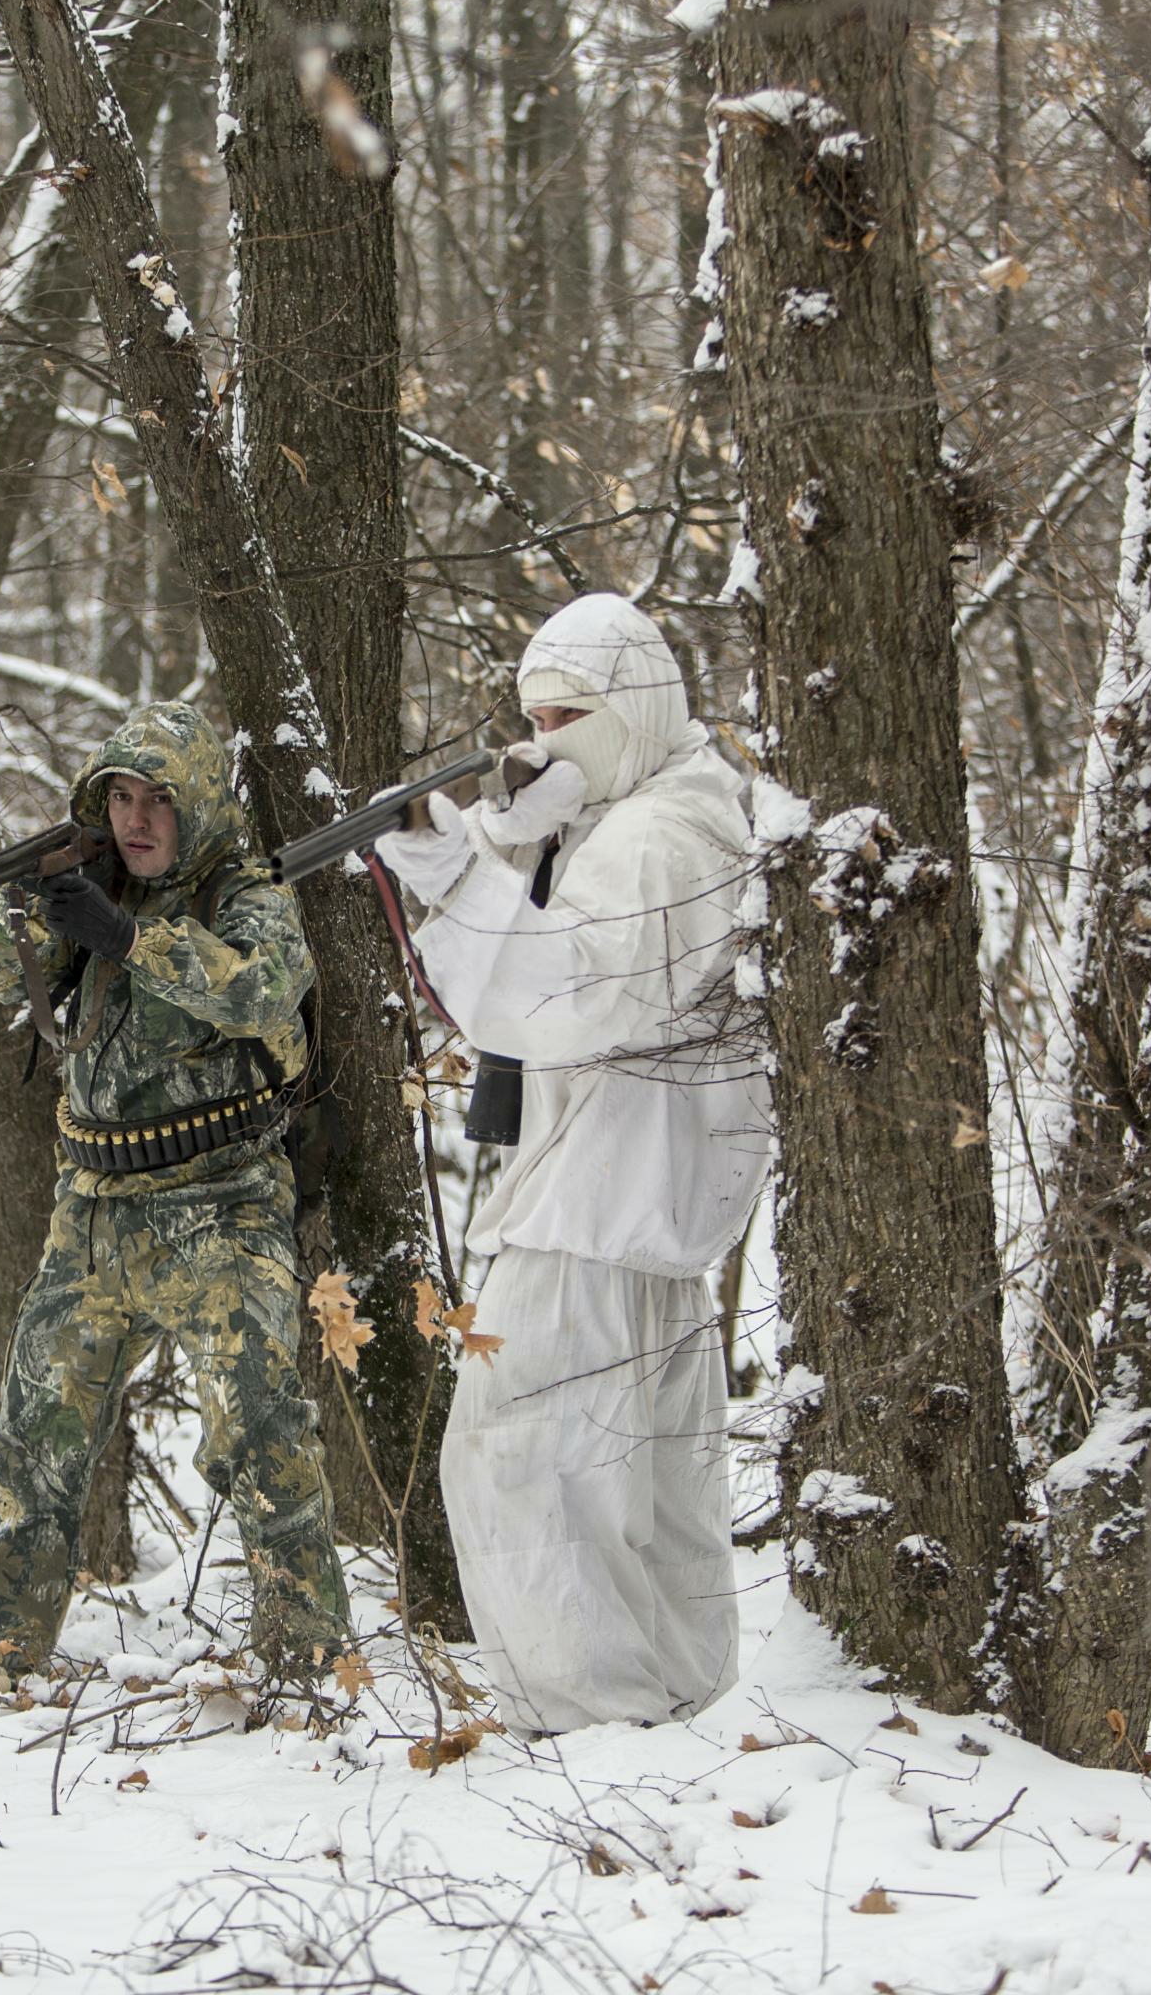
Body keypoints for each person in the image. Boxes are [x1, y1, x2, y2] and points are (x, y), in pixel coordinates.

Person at [375, 594, 769, 1731]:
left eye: (570, 715)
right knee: (646, 1487)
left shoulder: (659, 833)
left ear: (636, 706)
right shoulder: (654, 806)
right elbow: (570, 932)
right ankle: (677, 1707)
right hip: (630, 1197)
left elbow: (570, 991)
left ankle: (594, 1720)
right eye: (532, 715)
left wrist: (454, 872)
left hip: (602, 1196)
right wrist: (510, 833)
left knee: (520, 1454)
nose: (547, 738)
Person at [0, 701, 354, 1691]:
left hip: (223, 1199)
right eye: (119, 797)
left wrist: (131, 938)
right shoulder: (85, 886)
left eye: (158, 800)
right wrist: (35, 905)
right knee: (33, 1435)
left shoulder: (242, 892)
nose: (137, 819)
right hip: (90, 1211)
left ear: (199, 804)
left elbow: (263, 990)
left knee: (259, 1416)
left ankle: (308, 1655)